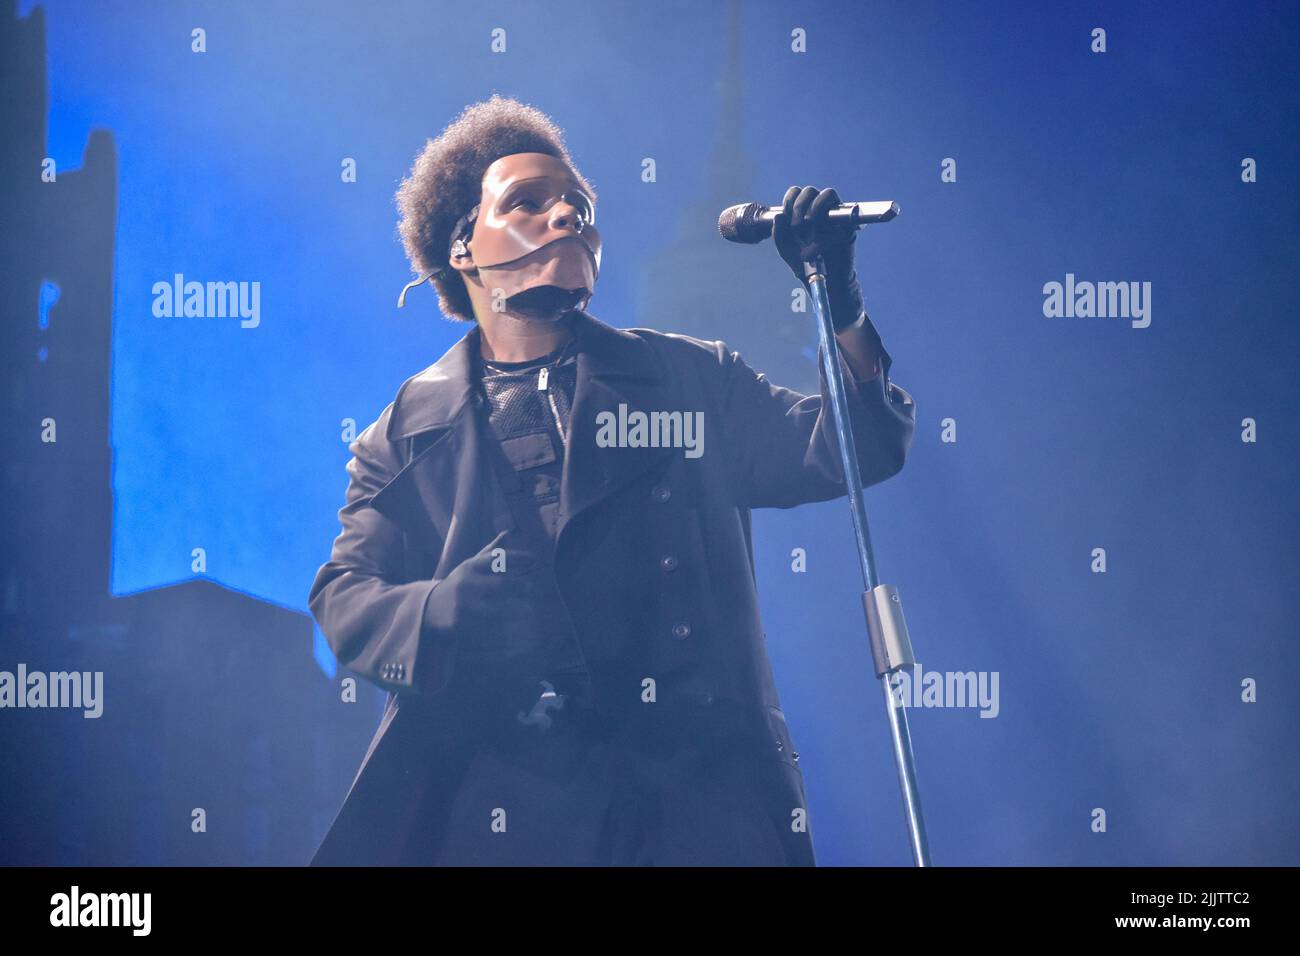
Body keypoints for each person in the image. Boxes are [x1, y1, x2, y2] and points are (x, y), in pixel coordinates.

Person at [308, 94, 916, 866]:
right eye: (527, 202)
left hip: (697, 809)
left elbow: (858, 445)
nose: (567, 216)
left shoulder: (686, 377)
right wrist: (442, 611)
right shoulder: (403, 431)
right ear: (462, 247)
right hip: (506, 811)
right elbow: (343, 600)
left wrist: (839, 301)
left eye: (579, 205)